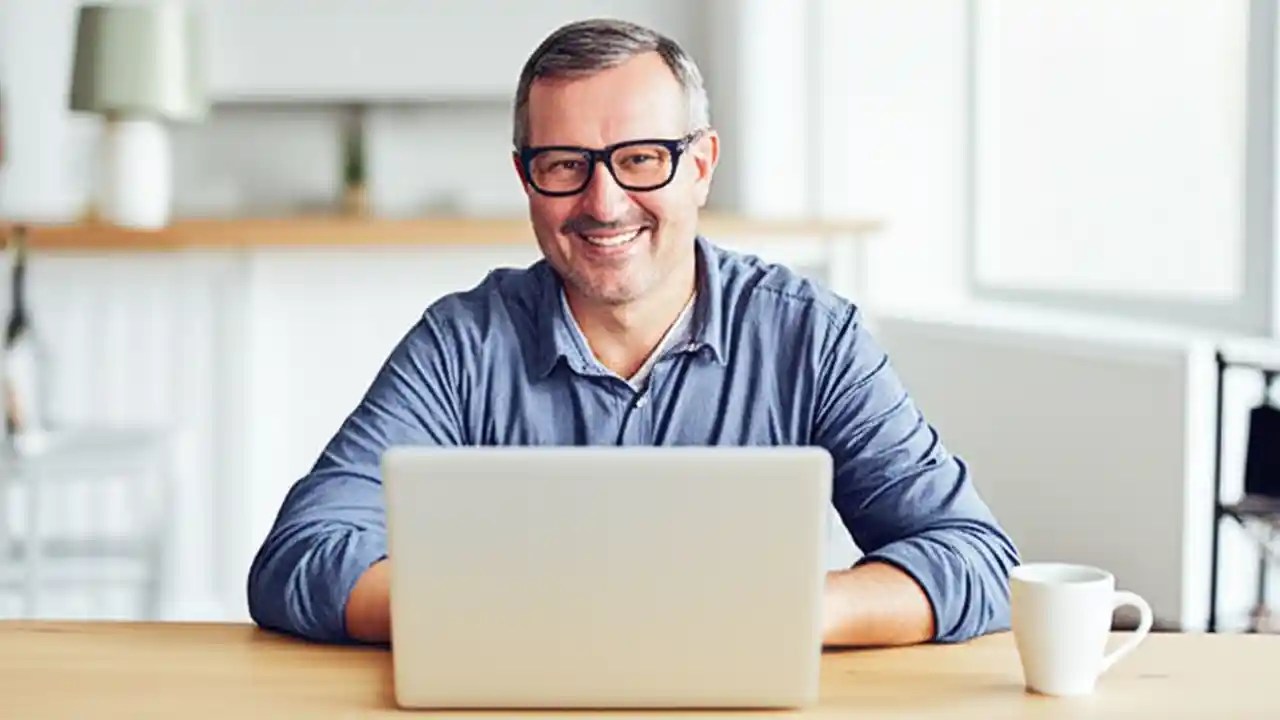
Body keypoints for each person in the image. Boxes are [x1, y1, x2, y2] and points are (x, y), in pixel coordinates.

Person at [247, 18, 1019, 647]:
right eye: (564, 165)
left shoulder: (810, 337)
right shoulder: (463, 345)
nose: (605, 203)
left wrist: (785, 612)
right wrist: (519, 612)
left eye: (642, 159)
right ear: (527, 180)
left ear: (702, 165)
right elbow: (300, 557)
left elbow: (974, 558)